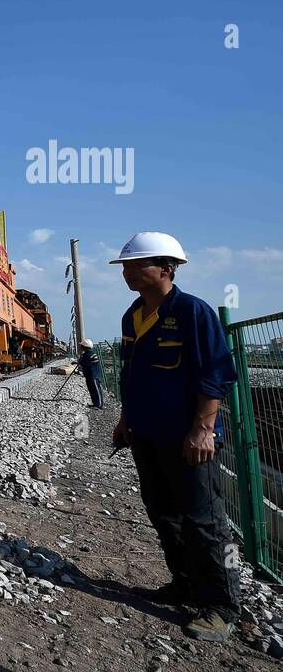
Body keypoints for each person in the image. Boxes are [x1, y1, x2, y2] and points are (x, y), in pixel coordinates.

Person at [109, 232, 241, 641]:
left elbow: (214, 375)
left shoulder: (193, 312)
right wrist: (125, 418)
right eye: (125, 266)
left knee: (203, 519)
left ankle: (220, 605)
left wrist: (204, 428)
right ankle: (183, 583)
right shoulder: (132, 316)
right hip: (146, 434)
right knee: (162, 510)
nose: (128, 272)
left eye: (136, 264)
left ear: (167, 267)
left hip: (188, 438)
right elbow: (132, 375)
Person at [78, 339, 104, 408]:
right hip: (90, 375)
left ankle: (99, 405)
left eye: (81, 345)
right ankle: (95, 403)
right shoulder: (89, 353)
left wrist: (80, 361)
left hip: (93, 376)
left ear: (85, 346)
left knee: (96, 390)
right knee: (92, 390)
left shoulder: (88, 354)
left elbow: (85, 363)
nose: (80, 346)